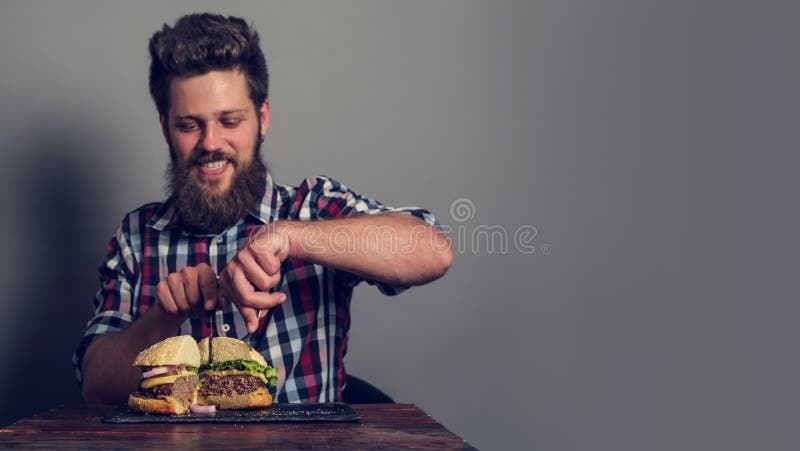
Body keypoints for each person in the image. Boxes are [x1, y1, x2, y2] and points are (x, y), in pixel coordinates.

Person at [74, 13, 452, 404]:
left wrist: (288, 236)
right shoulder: (137, 235)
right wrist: (162, 319)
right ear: (165, 127)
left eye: (230, 121)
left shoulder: (313, 208)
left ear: (262, 118)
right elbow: (96, 388)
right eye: (189, 125)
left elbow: (433, 250)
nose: (211, 142)